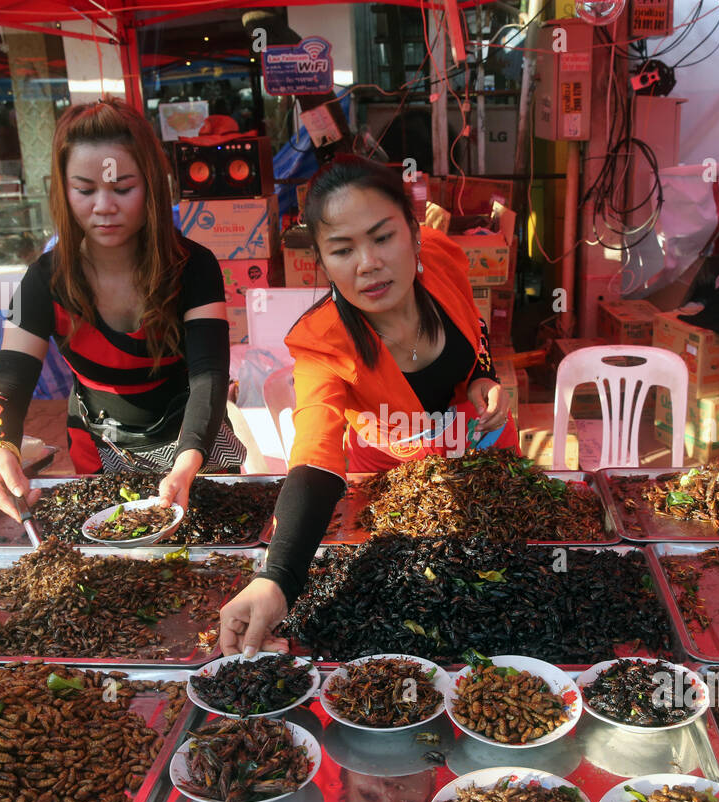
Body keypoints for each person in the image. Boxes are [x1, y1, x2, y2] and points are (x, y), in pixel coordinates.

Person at [218, 154, 516, 657]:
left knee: (504, 593)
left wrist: (482, 374)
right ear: (322, 259)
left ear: (414, 233)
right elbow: (314, 461)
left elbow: (475, 324)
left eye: (383, 237)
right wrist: (279, 577)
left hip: (481, 453)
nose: (368, 264)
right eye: (342, 249)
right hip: (392, 480)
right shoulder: (321, 344)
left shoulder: (442, 257)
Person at [0, 96, 243, 523]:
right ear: (63, 190)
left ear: (153, 185)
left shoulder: (193, 267)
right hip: (101, 448)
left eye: (122, 188)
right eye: (84, 189)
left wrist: (187, 460)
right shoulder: (44, 281)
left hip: (194, 443)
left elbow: (208, 376)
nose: (103, 206)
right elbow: (8, 377)